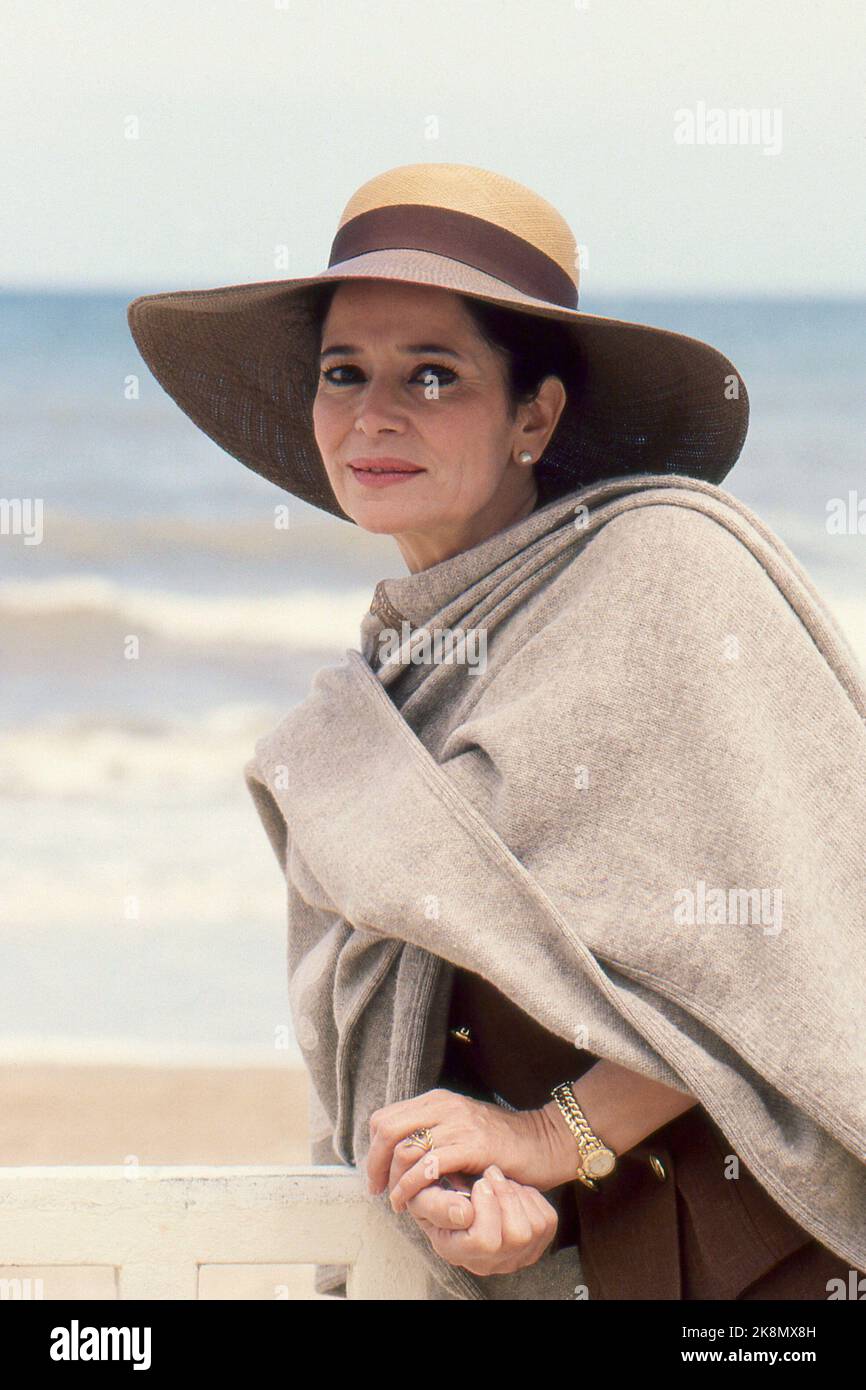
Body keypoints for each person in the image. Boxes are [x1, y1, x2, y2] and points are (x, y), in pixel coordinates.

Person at [127, 162, 866, 1300]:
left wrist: (554, 1135)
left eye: (433, 374)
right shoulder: (385, 686)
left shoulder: (666, 570)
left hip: (772, 1251)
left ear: (535, 412)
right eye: (344, 372)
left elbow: (797, 947)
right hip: (562, 1263)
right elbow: (439, 1042)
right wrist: (461, 1189)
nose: (375, 413)